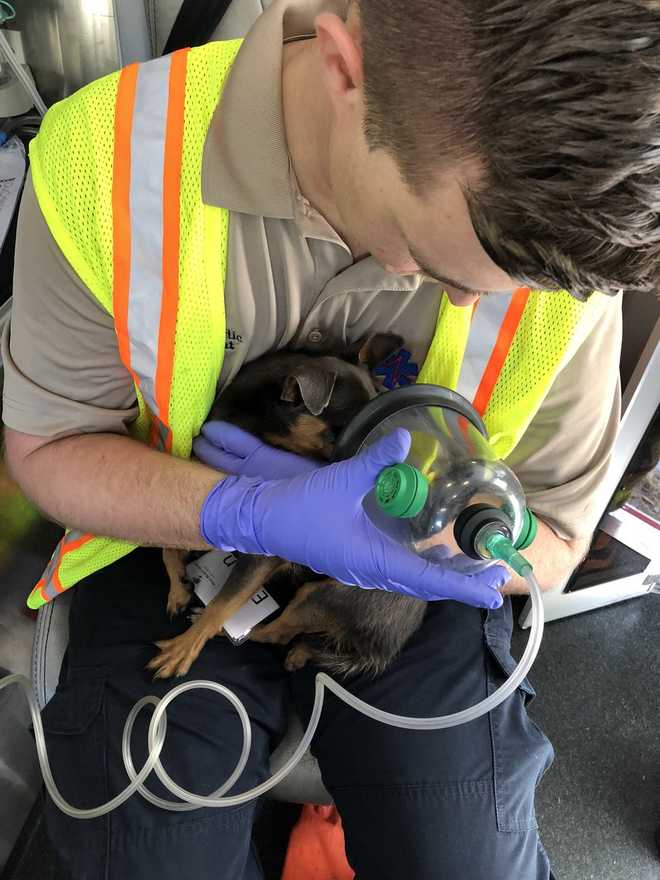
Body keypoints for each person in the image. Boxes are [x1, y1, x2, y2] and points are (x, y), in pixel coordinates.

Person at [2, 0, 658, 877]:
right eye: (430, 258)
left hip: (410, 592)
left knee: (461, 860)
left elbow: (556, 545)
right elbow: (50, 450)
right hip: (168, 536)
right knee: (149, 854)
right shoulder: (109, 164)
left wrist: (435, 541)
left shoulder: (560, 257)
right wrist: (245, 511)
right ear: (347, 71)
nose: (468, 304)